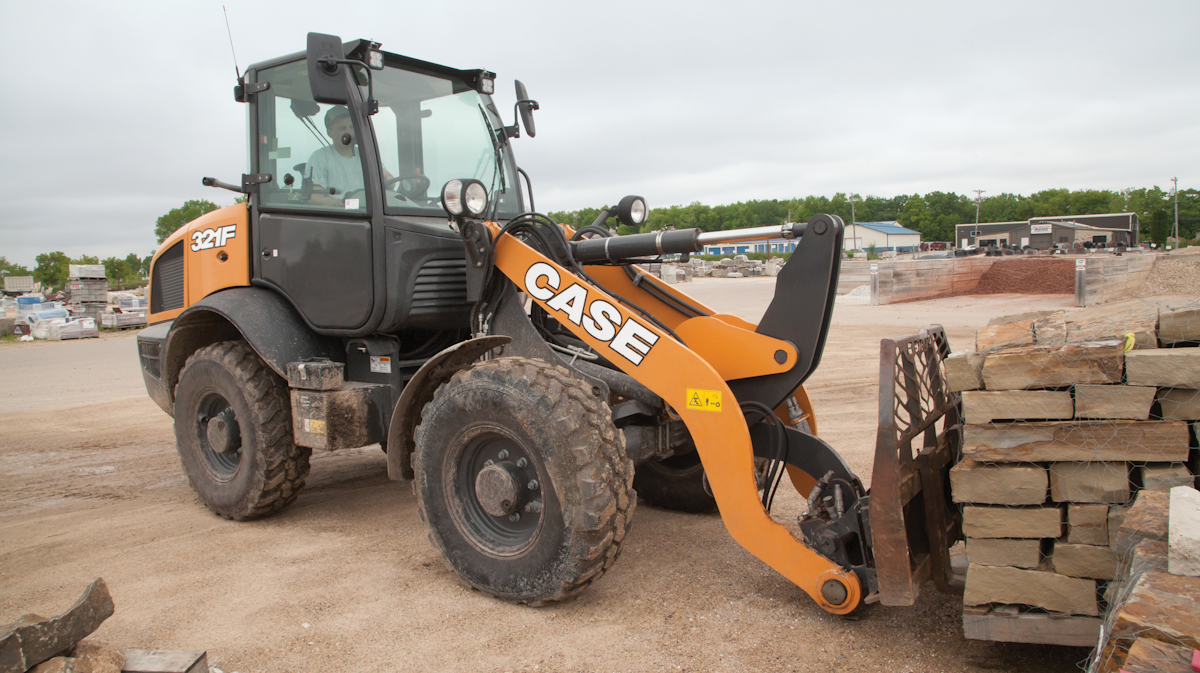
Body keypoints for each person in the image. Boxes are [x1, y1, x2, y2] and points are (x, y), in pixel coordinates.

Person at [306, 106, 368, 207]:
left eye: (351, 127)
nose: (349, 132)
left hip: (368, 212)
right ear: (329, 133)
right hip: (339, 216)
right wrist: (345, 205)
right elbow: (314, 198)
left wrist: (383, 174)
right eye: (342, 128)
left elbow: (391, 184)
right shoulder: (320, 157)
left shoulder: (365, 155)